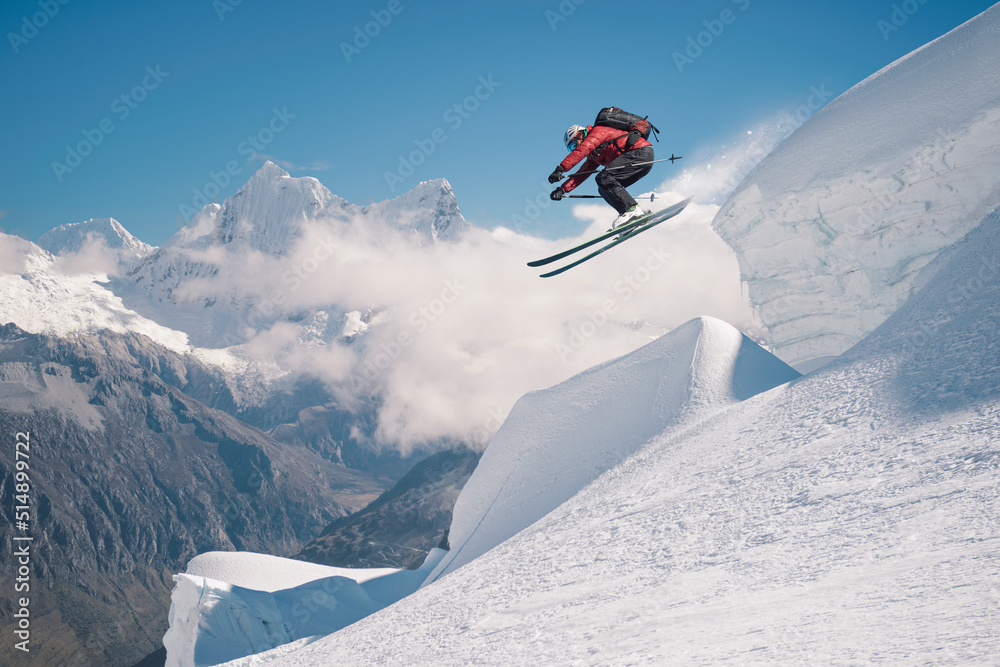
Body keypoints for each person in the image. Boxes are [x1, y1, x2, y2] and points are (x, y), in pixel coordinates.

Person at [548, 122, 655, 231]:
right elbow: (582, 173)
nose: (575, 148)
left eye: (573, 145)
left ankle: (632, 210)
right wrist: (562, 189)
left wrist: (560, 169)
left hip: (639, 152)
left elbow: (581, 151)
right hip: (638, 159)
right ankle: (630, 217)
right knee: (603, 189)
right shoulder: (594, 155)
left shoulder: (597, 132)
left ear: (579, 135)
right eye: (572, 148)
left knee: (603, 178)